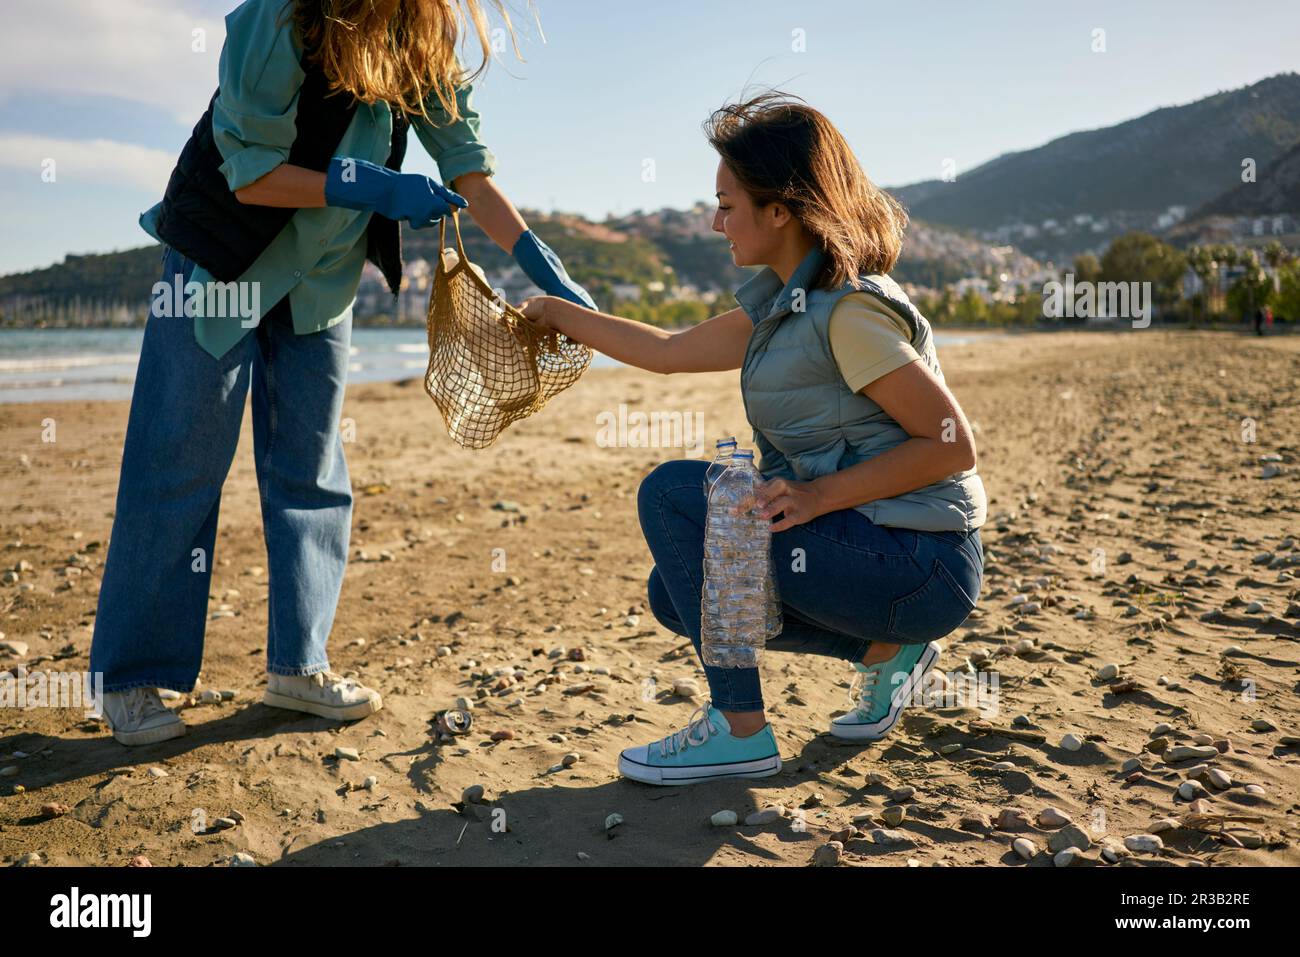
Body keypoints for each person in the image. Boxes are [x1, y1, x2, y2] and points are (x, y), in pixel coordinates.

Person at [90, 0, 595, 746]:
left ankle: (299, 665)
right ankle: (133, 677)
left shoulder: (422, 29)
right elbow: (253, 173)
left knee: (312, 468)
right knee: (177, 461)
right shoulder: (280, 18)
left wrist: (539, 261)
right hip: (219, 260)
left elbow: (469, 169)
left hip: (322, 275)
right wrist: (368, 185)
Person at [521, 93, 986, 786]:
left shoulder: (847, 311)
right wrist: (559, 313)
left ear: (780, 210)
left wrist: (815, 494)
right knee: (674, 592)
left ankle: (739, 730)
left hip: (921, 561)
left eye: (727, 204)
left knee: (674, 495)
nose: (715, 222)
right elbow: (669, 349)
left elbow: (951, 444)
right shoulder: (785, 305)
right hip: (883, 554)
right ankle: (885, 652)